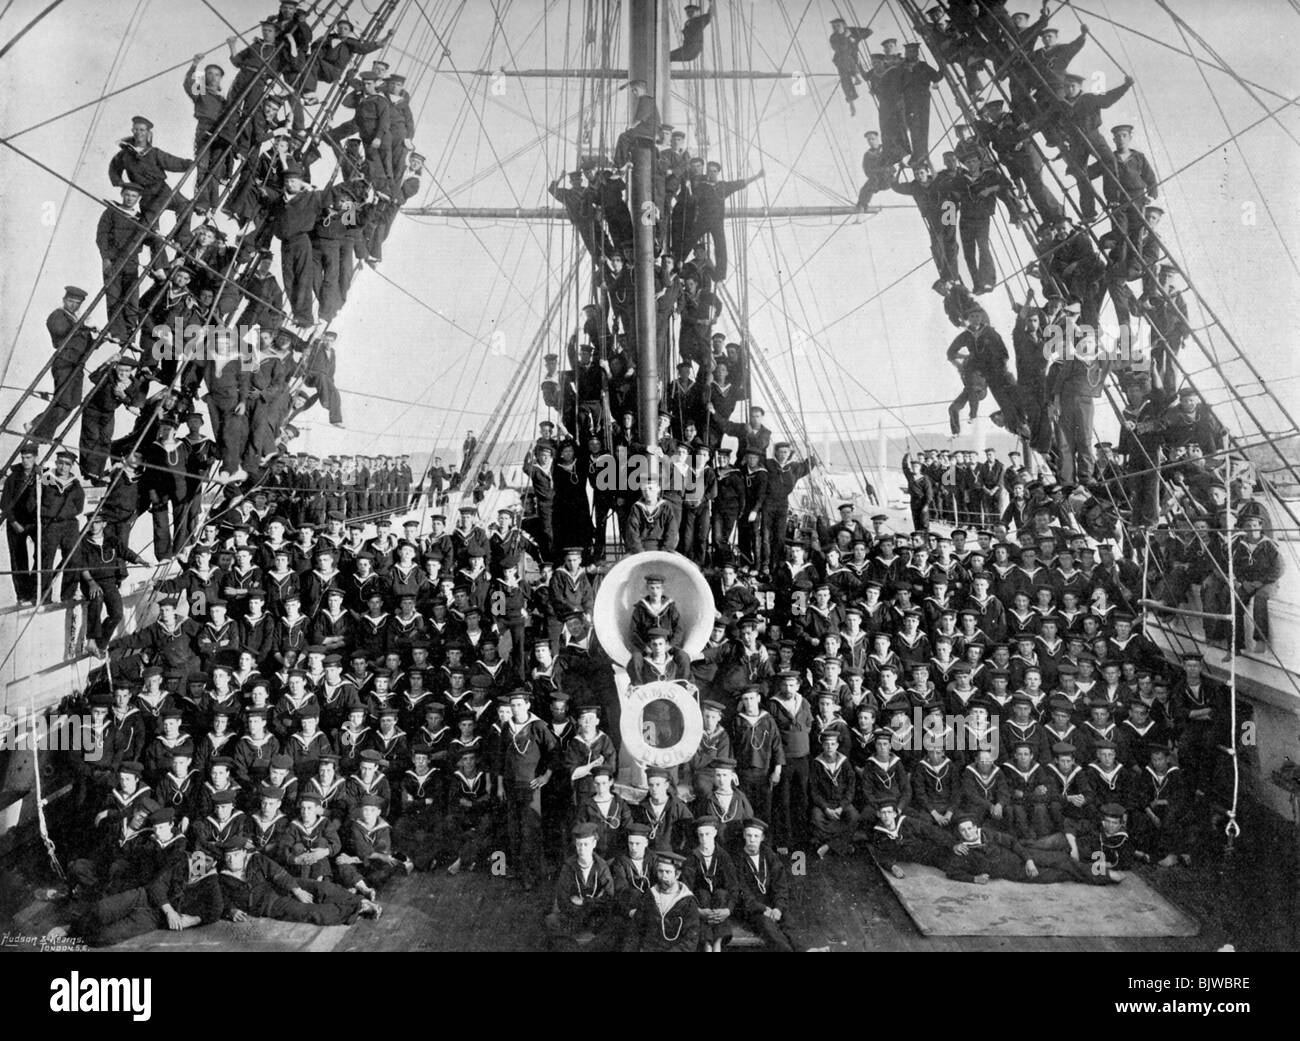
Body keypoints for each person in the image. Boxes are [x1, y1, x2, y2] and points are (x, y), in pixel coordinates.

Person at [637, 850, 700, 952]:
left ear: (677, 875)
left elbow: (690, 940)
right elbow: (635, 930)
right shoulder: (650, 895)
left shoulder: (687, 901)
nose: (663, 877)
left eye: (668, 872)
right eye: (660, 871)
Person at [2, 443, 41, 604]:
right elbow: (4, 503)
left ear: (35, 458)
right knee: (18, 559)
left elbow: (50, 494)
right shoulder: (13, 478)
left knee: (42, 553)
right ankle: (22, 594)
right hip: (16, 522)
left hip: (34, 521)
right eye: (23, 458)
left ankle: (33, 589)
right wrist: (12, 522)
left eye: (29, 458)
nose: (25, 461)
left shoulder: (42, 476)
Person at [829, 18, 873, 115]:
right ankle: (851, 103)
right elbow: (840, 49)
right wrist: (845, 37)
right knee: (844, 79)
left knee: (865, 76)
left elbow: (869, 32)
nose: (836, 28)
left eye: (838, 25)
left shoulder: (852, 30)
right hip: (842, 61)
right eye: (834, 27)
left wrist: (857, 37)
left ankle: (857, 76)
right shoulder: (833, 38)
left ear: (844, 25)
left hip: (855, 59)